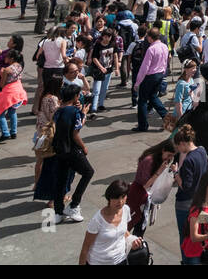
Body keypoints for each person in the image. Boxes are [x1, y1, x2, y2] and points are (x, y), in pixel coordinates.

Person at [44, 83, 92, 223]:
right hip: (71, 149)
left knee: (61, 180)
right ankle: (74, 205)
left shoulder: (59, 110)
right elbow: (75, 132)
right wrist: (83, 147)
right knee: (88, 172)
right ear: (75, 96)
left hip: (58, 149)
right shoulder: (74, 112)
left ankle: (58, 212)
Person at [79, 179, 142, 265]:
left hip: (120, 260)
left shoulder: (126, 210)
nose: (120, 202)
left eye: (123, 197)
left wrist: (132, 239)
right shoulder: (97, 220)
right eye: (116, 198)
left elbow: (123, 231)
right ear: (109, 198)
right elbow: (85, 248)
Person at [126, 138, 175, 238]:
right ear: (163, 150)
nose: (170, 158)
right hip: (138, 195)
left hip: (147, 196)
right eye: (169, 155)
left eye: (172, 156)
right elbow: (146, 185)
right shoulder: (149, 160)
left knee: (140, 227)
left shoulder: (160, 160)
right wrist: (160, 171)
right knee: (131, 224)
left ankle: (136, 249)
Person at [172, 123, 208, 248]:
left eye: (178, 147)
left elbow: (186, 187)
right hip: (201, 201)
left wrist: (176, 173)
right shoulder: (202, 151)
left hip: (185, 204)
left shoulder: (188, 160)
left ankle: (189, 259)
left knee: (185, 236)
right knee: (201, 230)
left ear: (183, 143)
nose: (178, 150)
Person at [133, 29, 170, 133]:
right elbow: (165, 62)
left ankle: (143, 125)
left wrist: (137, 82)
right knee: (153, 97)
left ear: (150, 37)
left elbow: (144, 67)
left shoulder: (151, 49)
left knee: (142, 101)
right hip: (159, 75)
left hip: (150, 76)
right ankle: (167, 117)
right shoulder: (164, 46)